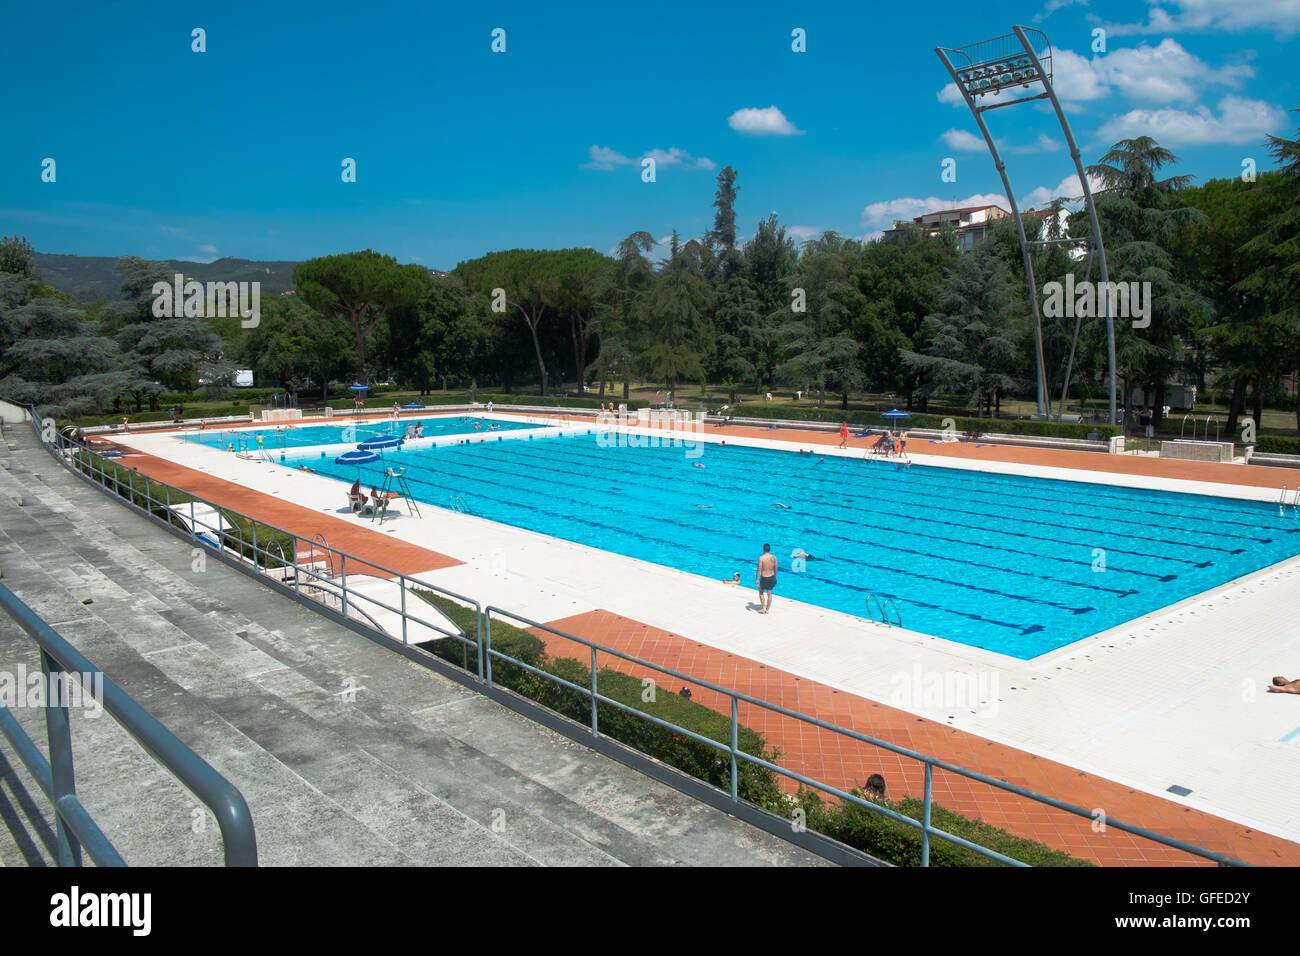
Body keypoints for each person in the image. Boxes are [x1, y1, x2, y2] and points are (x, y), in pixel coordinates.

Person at [756, 544, 777, 614]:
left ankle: (763, 608)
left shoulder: (761, 558)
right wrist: (775, 576)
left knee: (761, 592)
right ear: (769, 549)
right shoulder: (774, 557)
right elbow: (776, 568)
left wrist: (757, 579)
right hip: (771, 577)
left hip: (764, 578)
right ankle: (767, 610)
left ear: (763, 549)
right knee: (769, 593)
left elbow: (759, 569)